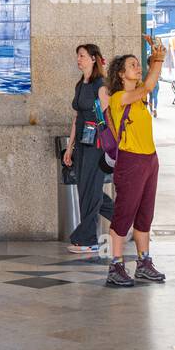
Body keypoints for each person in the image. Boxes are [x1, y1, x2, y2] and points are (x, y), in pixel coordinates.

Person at [104, 40, 166, 287]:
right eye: (132, 66)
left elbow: (147, 82)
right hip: (131, 161)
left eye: (139, 65)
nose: (137, 68)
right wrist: (157, 61)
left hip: (150, 160)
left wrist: (155, 58)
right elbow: (149, 85)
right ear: (121, 74)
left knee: (144, 215)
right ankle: (116, 265)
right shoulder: (119, 97)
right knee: (123, 215)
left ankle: (144, 263)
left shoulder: (138, 97)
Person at [62, 43, 113, 254]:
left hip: (97, 145)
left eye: (82, 56)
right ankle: (125, 216)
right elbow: (76, 118)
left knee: (91, 191)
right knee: (86, 189)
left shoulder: (100, 85)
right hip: (82, 144)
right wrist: (70, 148)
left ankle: (88, 238)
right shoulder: (79, 85)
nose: (79, 59)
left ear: (94, 58)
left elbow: (109, 117)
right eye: (78, 56)